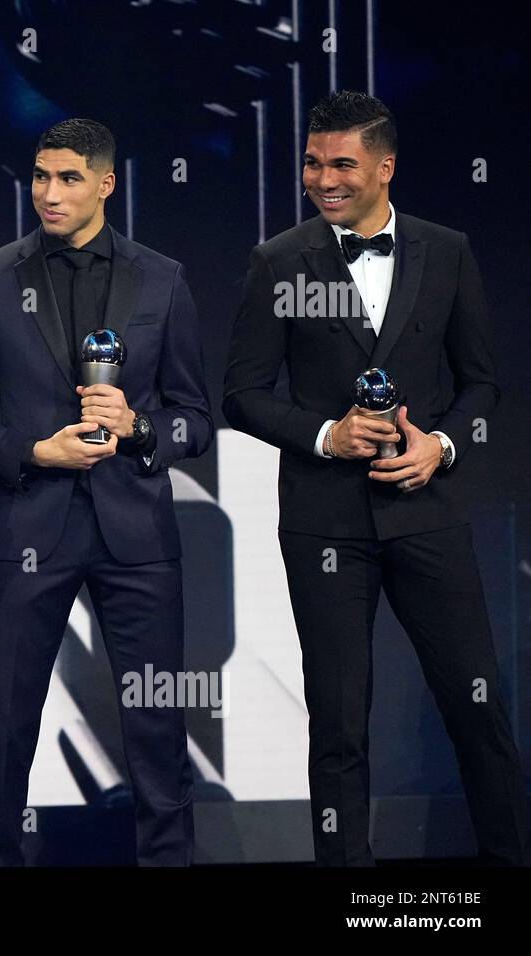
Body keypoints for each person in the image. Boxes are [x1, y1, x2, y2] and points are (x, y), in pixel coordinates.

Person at [223, 90, 527, 865]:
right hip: (326, 526)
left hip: (428, 515)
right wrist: (326, 434)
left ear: (385, 167)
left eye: (342, 164)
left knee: (476, 708)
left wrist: (444, 448)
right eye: (313, 162)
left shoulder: (447, 250)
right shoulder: (277, 261)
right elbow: (244, 394)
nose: (322, 178)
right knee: (339, 724)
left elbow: (482, 383)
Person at [0, 118, 213, 865]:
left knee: (157, 726)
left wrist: (139, 428)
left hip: (137, 537)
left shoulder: (163, 279)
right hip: (31, 525)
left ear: (105, 183)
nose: (47, 194)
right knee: (6, 725)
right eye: (38, 177)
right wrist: (32, 450)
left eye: (65, 178)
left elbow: (197, 422)